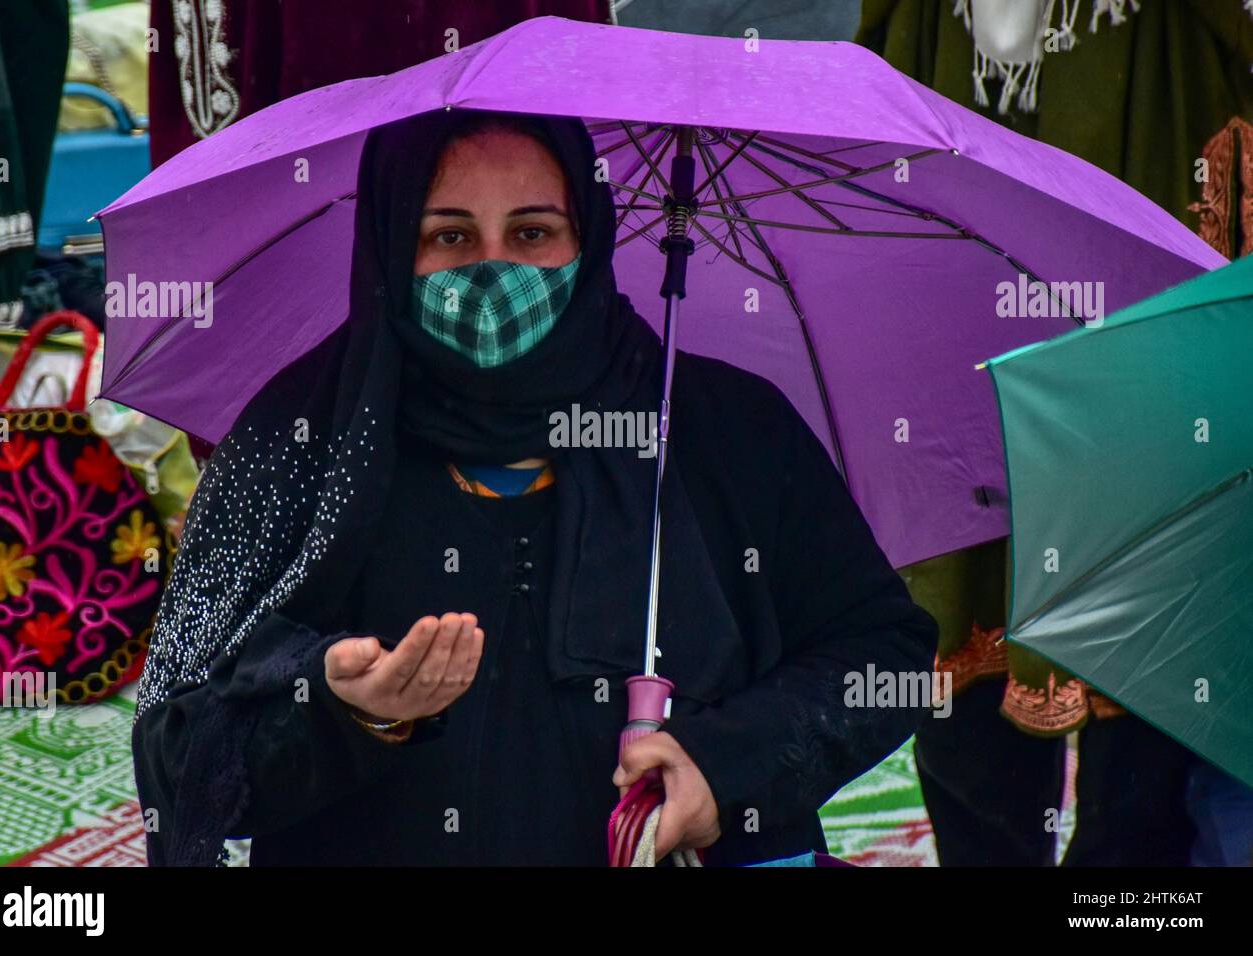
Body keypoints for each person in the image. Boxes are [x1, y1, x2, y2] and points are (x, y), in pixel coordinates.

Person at [131, 108, 938, 866]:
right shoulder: (298, 442)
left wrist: (725, 770)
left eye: (532, 232)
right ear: (385, 245)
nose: (493, 272)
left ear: (588, 239)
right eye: (448, 235)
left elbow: (884, 656)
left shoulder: (721, 425)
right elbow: (176, 757)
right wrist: (347, 711)